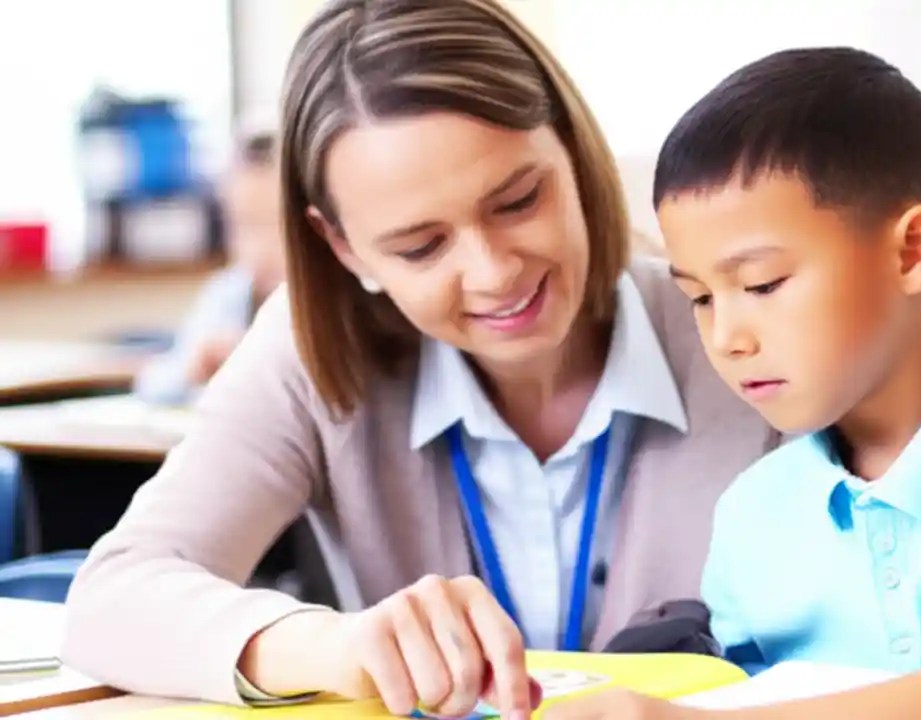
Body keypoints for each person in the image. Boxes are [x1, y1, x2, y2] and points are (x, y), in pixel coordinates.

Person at [61, 2, 777, 719]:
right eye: (420, 247)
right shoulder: (311, 349)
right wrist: (337, 646)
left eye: (519, 200)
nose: (493, 271)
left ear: (570, 145)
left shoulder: (746, 324)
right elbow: (111, 598)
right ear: (342, 247)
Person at [546, 47, 921, 720]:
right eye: (702, 298)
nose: (727, 338)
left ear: (912, 251)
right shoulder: (754, 509)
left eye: (761, 285)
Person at [132, 132, 288, 405]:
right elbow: (153, 384)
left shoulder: (329, 300)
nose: (258, 249)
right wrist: (194, 367)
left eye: (274, 227)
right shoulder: (228, 292)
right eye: (243, 227)